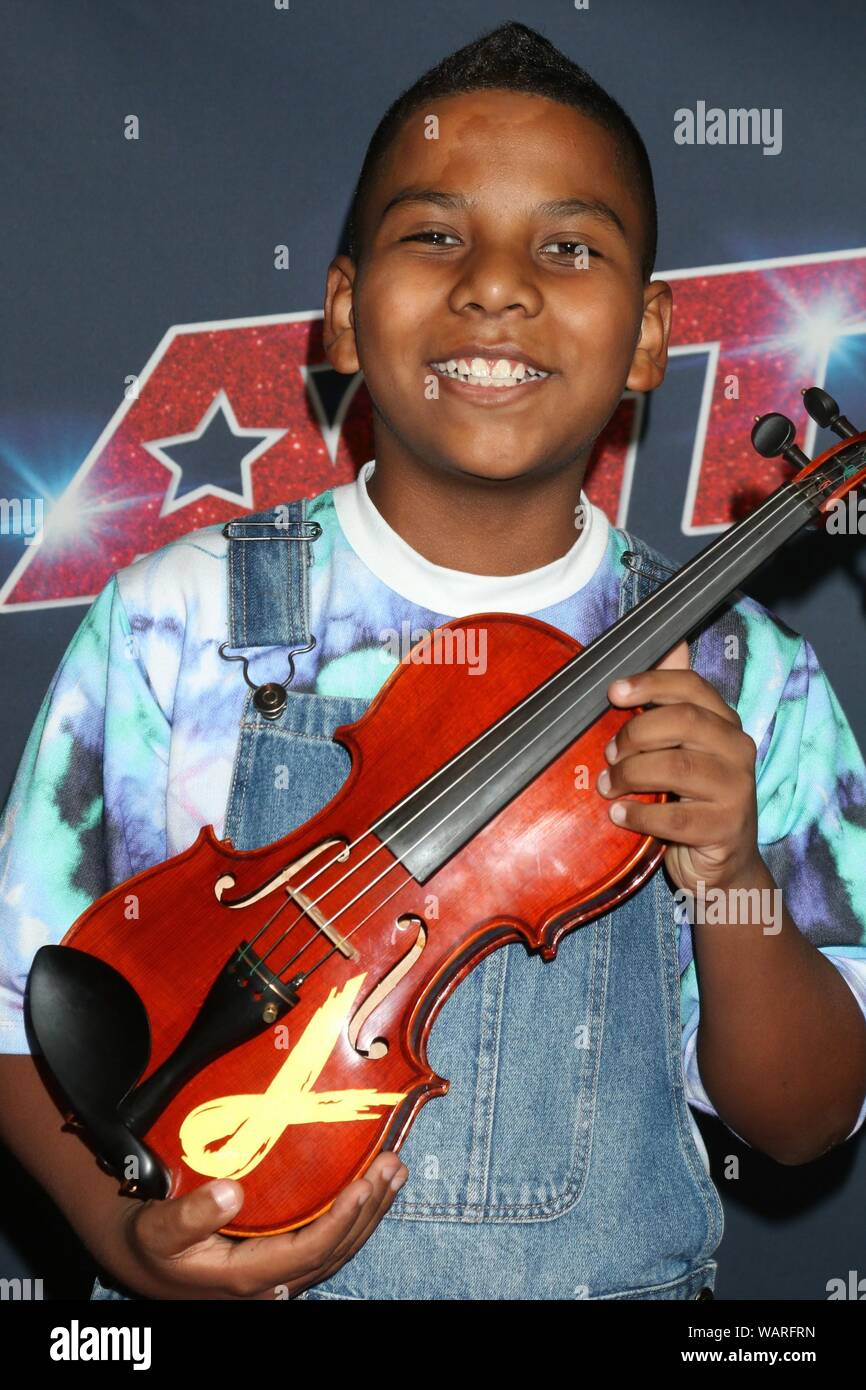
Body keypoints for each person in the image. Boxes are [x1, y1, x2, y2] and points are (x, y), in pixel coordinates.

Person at [1, 21, 865, 1303]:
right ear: (344, 312)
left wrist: (730, 876)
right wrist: (128, 1243)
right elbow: (23, 1007)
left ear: (645, 336)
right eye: (435, 234)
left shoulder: (744, 678)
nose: (496, 284)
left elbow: (800, 1121)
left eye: (567, 248)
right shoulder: (175, 617)